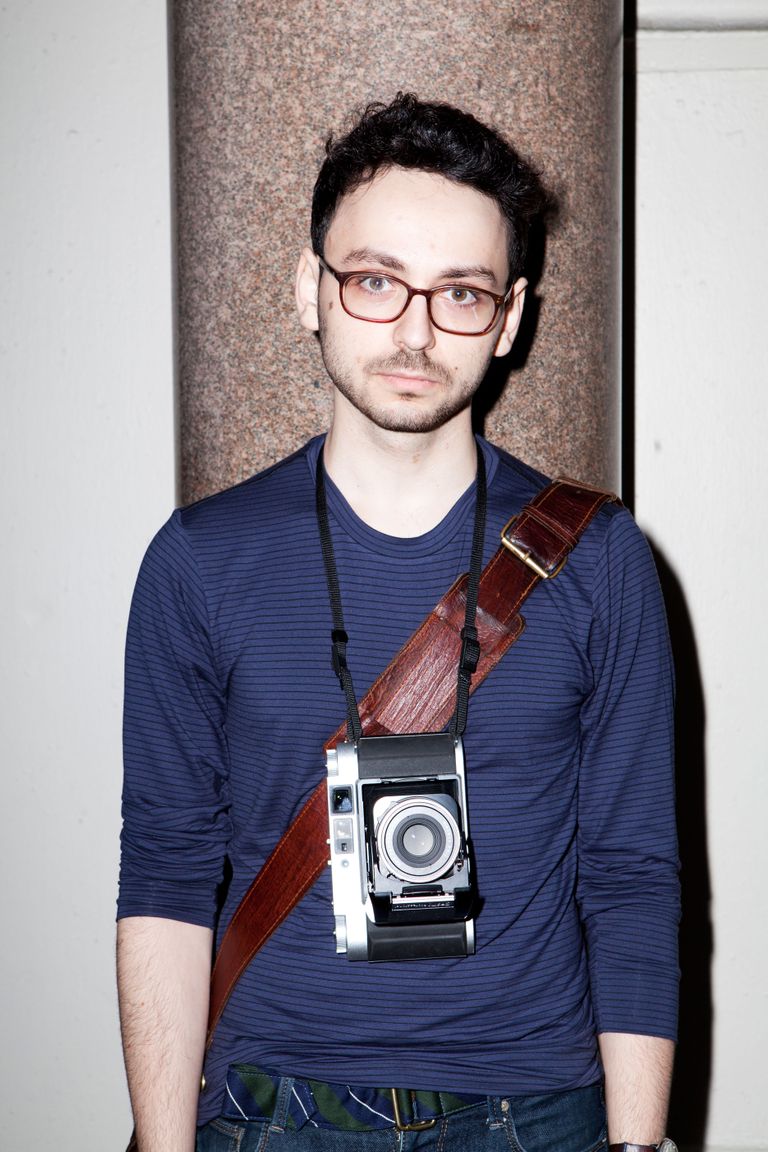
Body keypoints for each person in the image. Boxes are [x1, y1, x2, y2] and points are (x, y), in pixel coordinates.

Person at [117, 94, 679, 1152]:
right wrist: (159, 1138)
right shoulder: (199, 561)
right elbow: (165, 868)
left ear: (509, 318)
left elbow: (633, 871)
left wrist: (639, 1142)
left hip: (537, 1113)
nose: (415, 330)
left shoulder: (602, 562)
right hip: (270, 1110)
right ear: (310, 291)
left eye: (460, 293)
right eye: (376, 281)